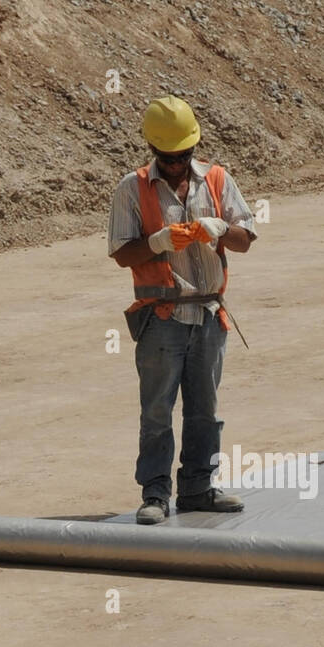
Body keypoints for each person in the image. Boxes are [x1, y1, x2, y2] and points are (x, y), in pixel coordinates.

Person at [108, 96, 256, 525]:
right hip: (162, 317)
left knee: (205, 410)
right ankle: (155, 493)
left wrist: (222, 229)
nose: (176, 164)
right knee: (156, 410)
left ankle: (198, 487)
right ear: (154, 151)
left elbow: (246, 239)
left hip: (208, 315)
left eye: (184, 156)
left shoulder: (216, 179)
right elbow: (121, 253)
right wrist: (156, 241)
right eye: (168, 158)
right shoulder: (131, 188)